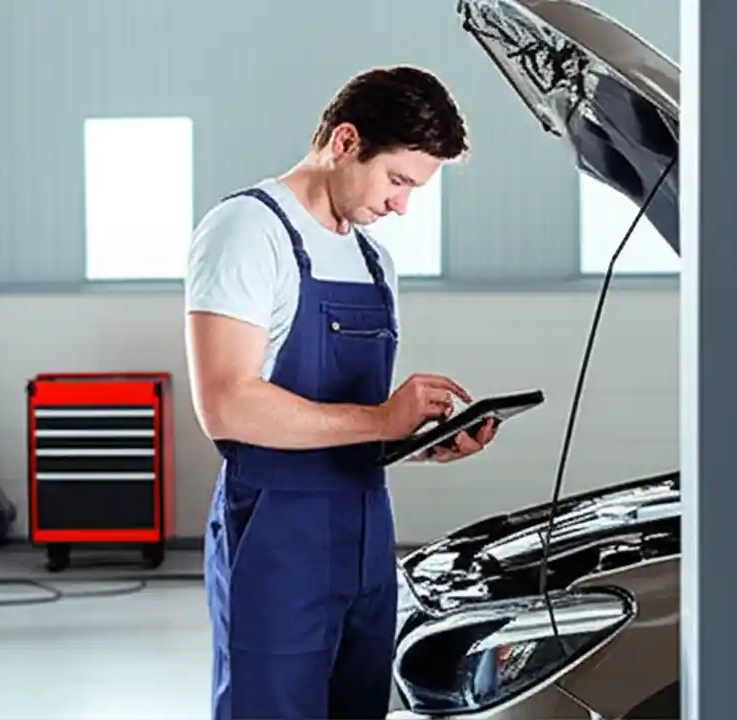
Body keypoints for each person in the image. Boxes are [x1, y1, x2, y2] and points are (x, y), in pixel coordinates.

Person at [184, 65, 498, 720]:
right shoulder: (248, 230)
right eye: (398, 180)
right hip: (276, 530)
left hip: (365, 531)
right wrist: (382, 417)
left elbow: (349, 423)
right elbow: (227, 404)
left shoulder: (373, 262)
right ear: (346, 142)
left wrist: (416, 440)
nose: (401, 205)